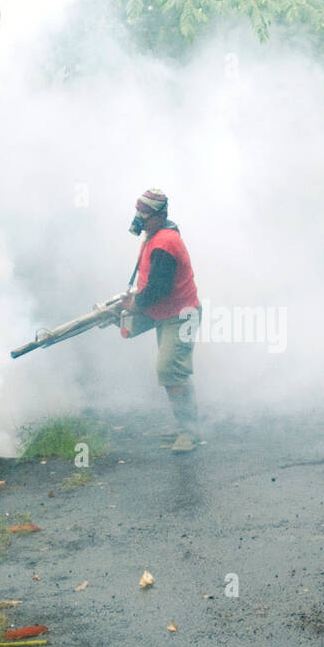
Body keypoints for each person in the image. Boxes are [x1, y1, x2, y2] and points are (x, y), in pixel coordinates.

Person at [124, 189, 202, 452]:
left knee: (170, 370)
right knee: (174, 372)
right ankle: (188, 426)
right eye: (139, 213)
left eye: (145, 214)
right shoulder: (154, 236)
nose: (140, 219)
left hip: (180, 315)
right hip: (168, 314)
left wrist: (136, 304)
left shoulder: (164, 243)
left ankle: (188, 433)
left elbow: (159, 288)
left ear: (161, 215)